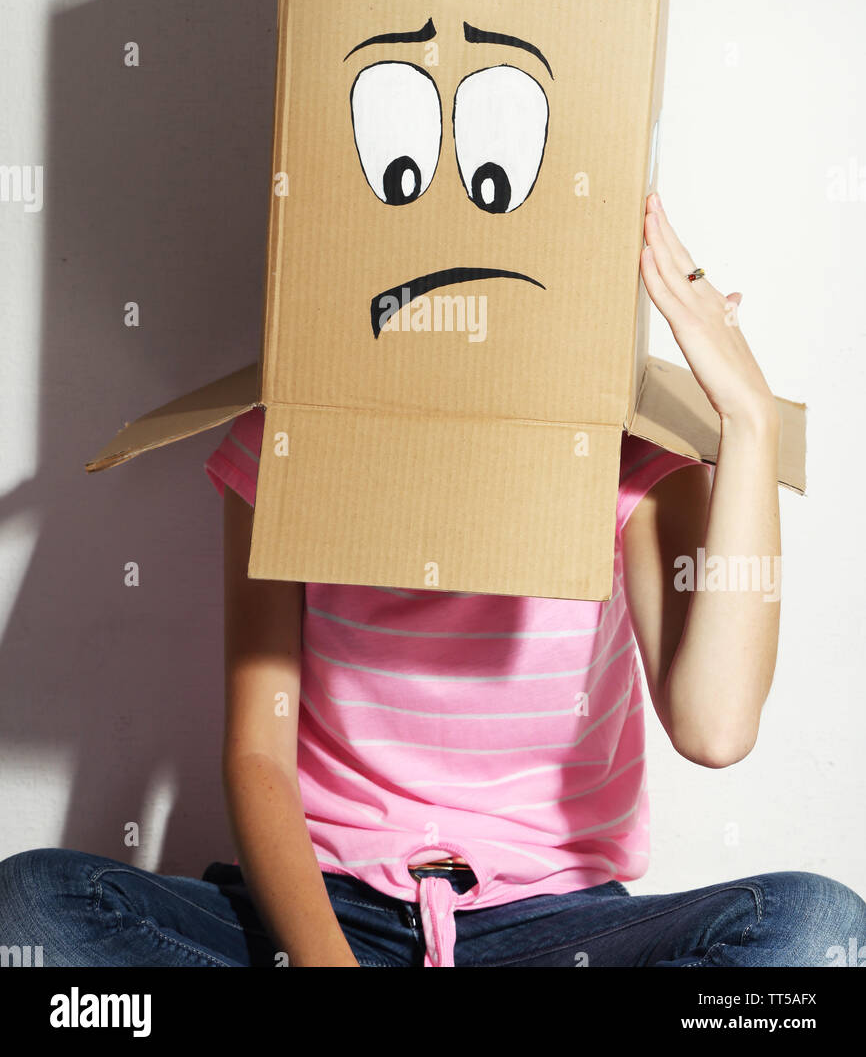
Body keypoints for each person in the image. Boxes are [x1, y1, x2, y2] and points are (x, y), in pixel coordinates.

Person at [0, 192, 863, 967]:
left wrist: (746, 423)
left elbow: (716, 730)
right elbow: (259, 755)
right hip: (324, 916)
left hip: (556, 930)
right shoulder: (283, 447)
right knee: (37, 906)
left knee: (816, 935)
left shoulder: (632, 461)